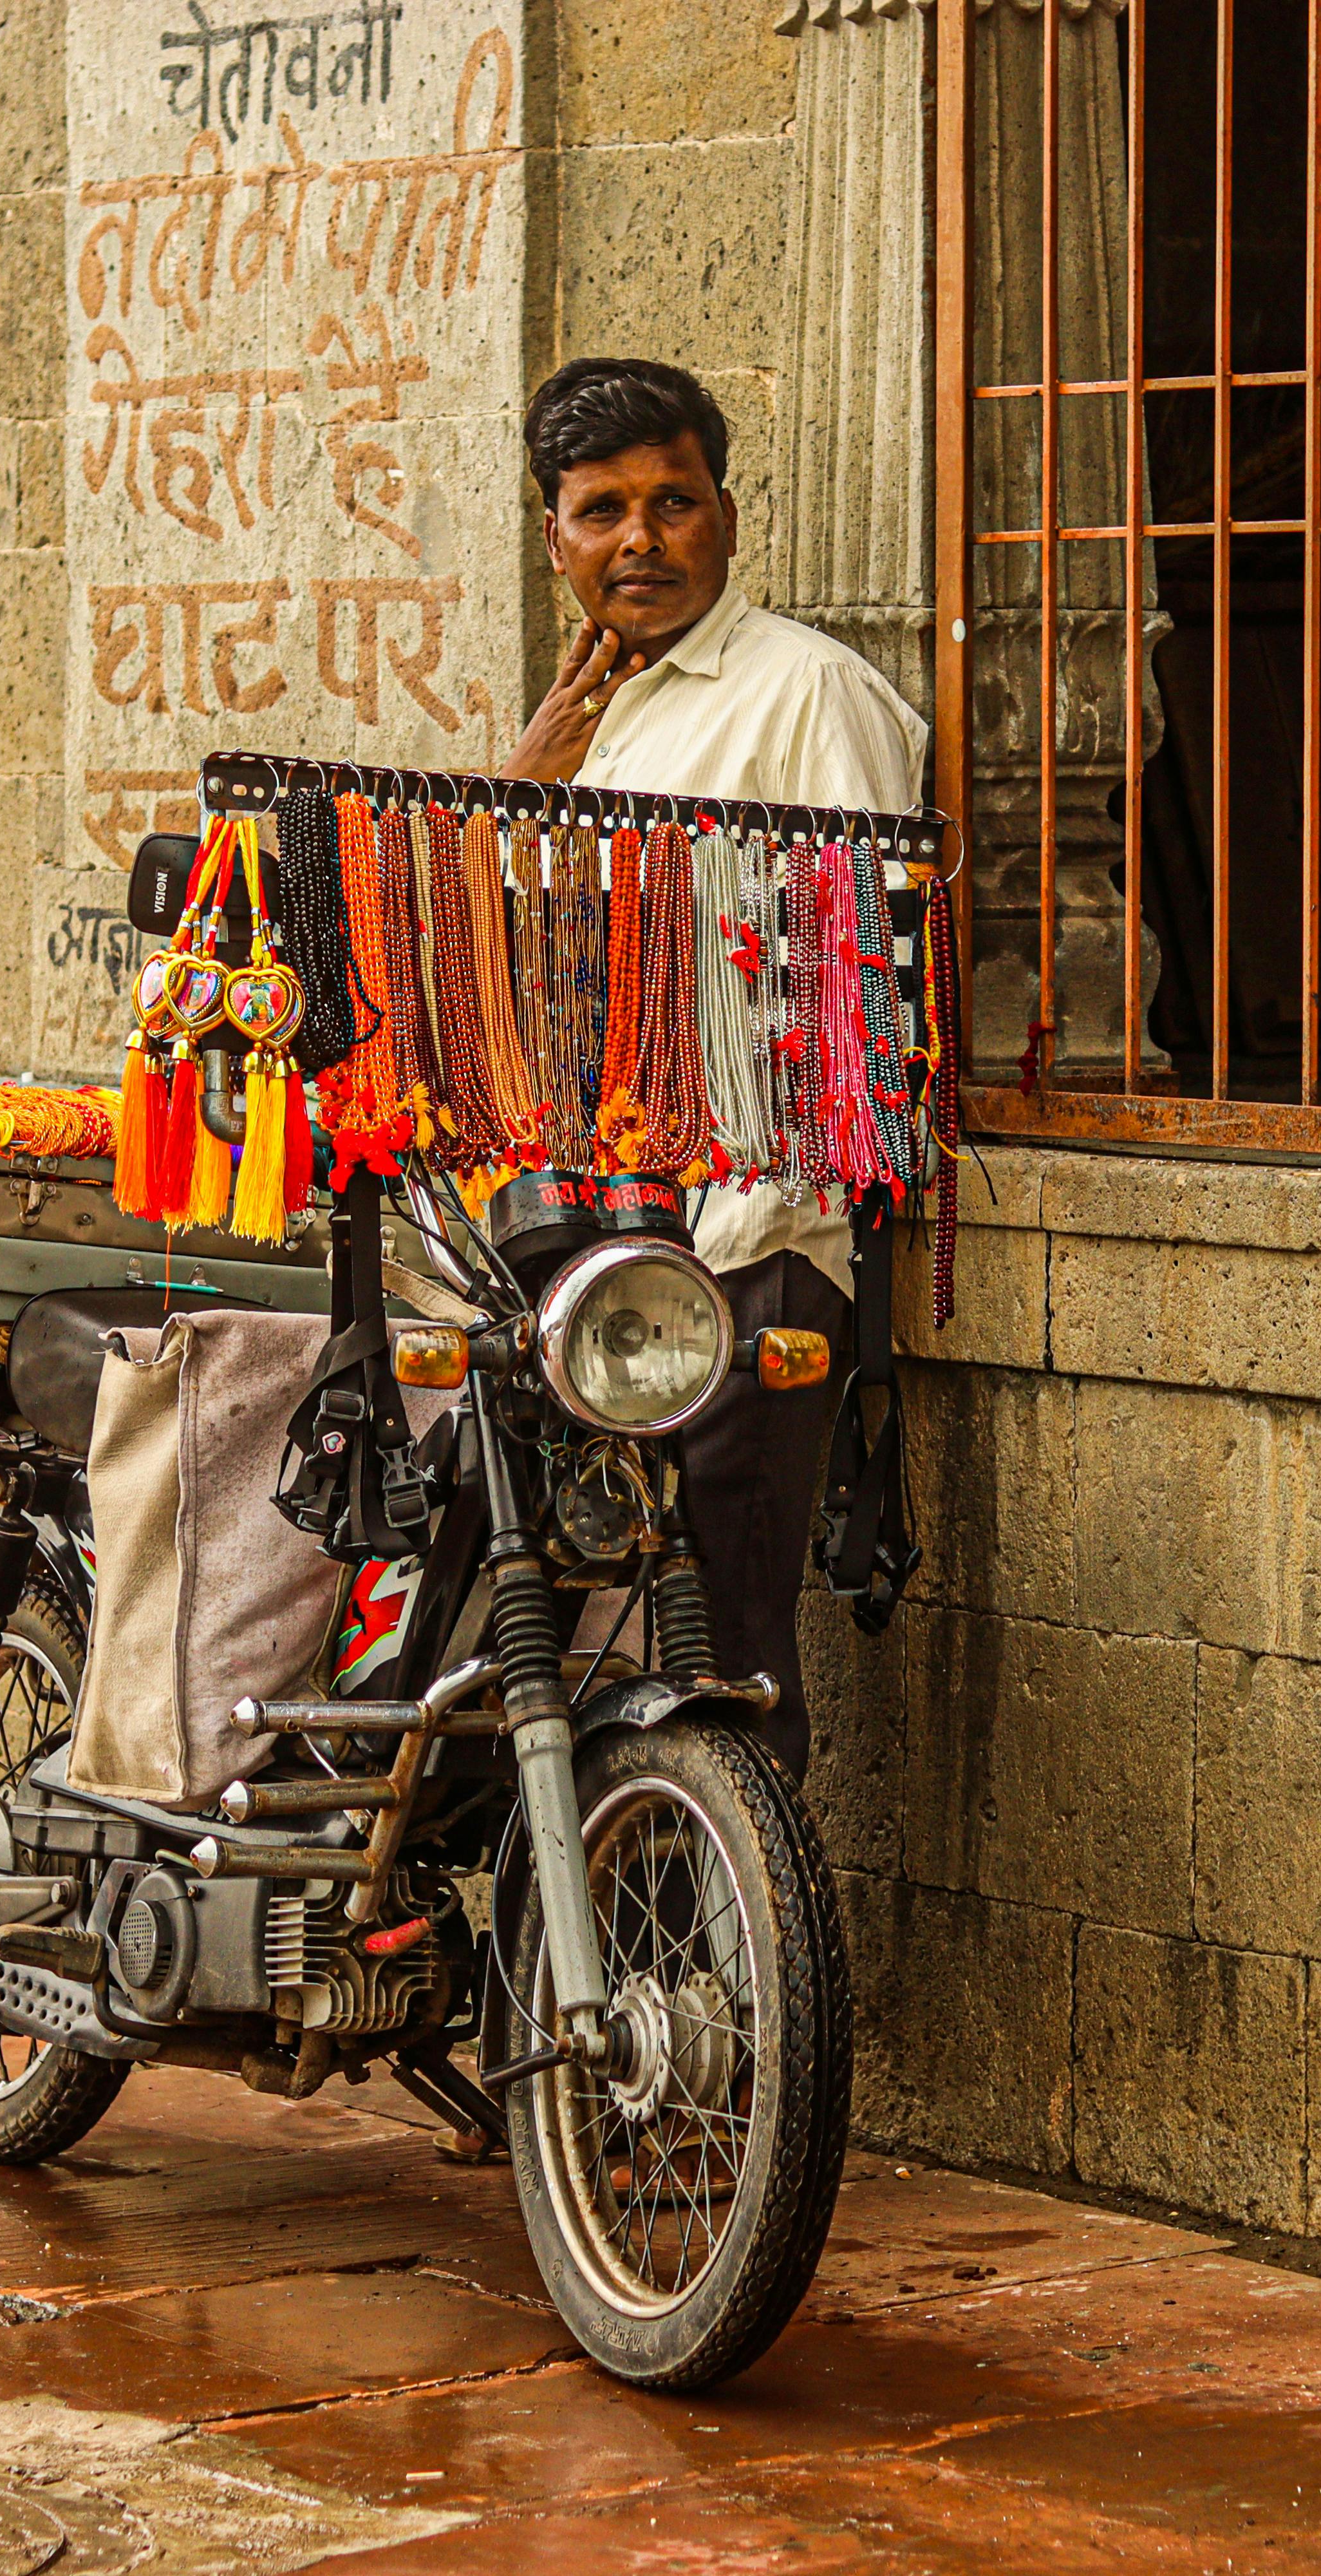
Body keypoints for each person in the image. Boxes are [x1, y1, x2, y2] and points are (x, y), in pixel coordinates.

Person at [500, 357, 929, 1775]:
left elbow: (868, 971)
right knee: (541, 1634)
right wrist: (530, 783)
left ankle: (741, 1980)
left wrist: (761, 1206)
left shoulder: (810, 694)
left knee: (727, 1658)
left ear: (729, 520)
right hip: (593, 1233)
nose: (640, 538)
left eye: (672, 501)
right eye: (601, 509)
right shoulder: (598, 711)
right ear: (555, 536)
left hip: (744, 1241)